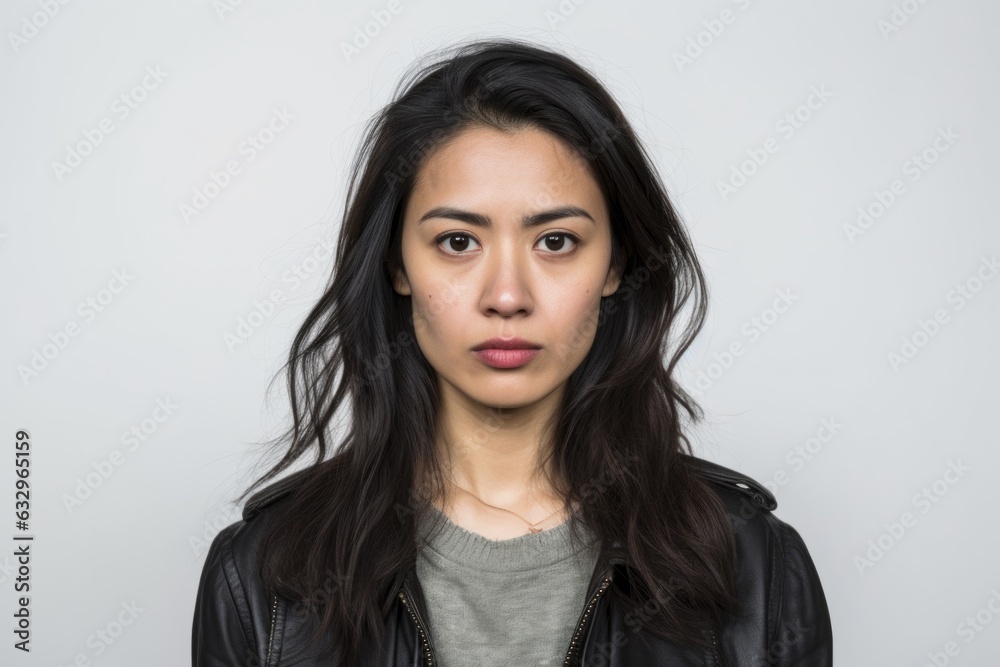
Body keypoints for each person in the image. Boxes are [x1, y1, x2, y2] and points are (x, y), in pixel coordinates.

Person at [191, 37, 833, 666]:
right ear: (397, 264)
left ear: (616, 265)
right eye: (457, 242)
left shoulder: (756, 565)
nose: (506, 297)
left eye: (556, 242)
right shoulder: (263, 578)